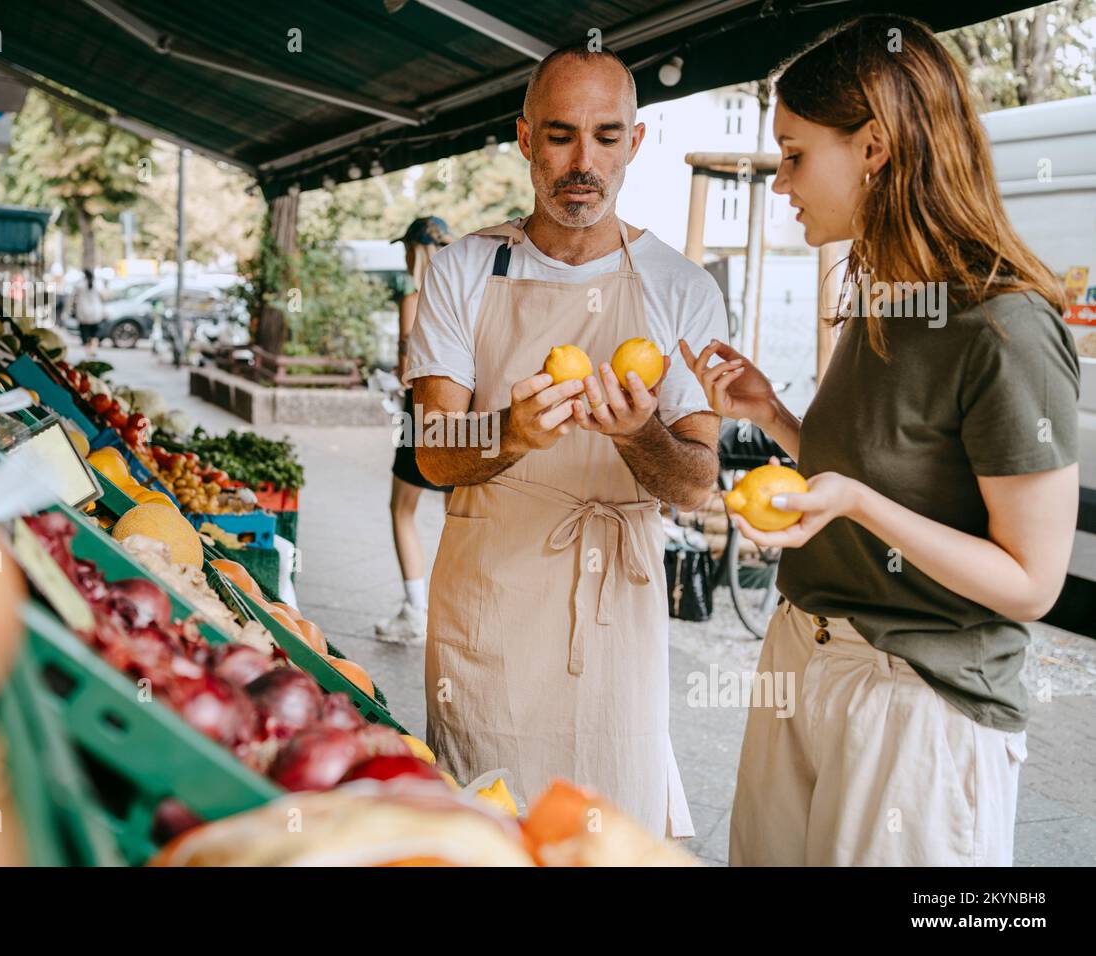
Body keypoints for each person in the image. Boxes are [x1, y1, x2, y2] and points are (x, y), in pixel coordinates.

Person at [679, 15, 1079, 866]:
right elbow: (858, 476)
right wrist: (775, 418)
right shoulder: (884, 297)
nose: (782, 180)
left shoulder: (1005, 327)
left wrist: (859, 502)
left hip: (918, 706)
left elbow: (1031, 584)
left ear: (874, 147)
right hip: (804, 655)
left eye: (795, 154)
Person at [404, 45, 728, 836]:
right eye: (560, 135)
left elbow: (694, 484)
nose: (584, 162)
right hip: (489, 610)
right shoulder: (462, 269)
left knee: (606, 833)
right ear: (523, 138)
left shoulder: (682, 287)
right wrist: (510, 433)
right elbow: (433, 453)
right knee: (487, 833)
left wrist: (638, 433)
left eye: (608, 136)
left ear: (636, 143)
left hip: (617, 615)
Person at [376, 216, 456, 645]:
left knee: (401, 509)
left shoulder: (414, 297)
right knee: (455, 518)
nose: (404, 256)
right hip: (462, 417)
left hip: (419, 415)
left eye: (406, 248)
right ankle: (452, 610)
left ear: (417, 251)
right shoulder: (466, 297)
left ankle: (414, 611)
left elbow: (409, 370)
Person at [74, 270, 104, 356]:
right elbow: (103, 297)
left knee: (85, 333)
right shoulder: (98, 284)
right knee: (94, 333)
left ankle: (88, 351)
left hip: (83, 313)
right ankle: (93, 349)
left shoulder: (79, 285)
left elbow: (75, 298)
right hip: (96, 312)